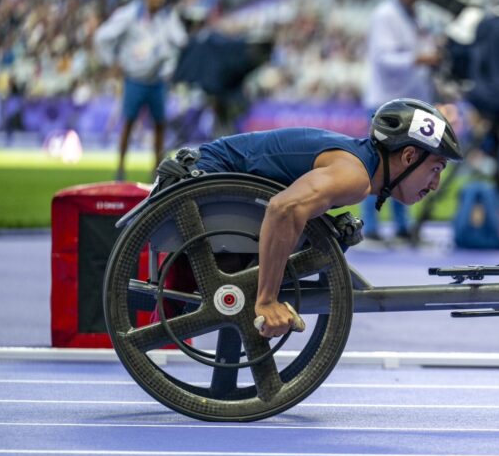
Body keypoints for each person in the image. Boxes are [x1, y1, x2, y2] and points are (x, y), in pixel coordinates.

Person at [193, 98, 462, 338]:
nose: (435, 184)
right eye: (435, 169)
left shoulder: (358, 165)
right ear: (409, 156)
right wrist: (266, 300)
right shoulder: (354, 177)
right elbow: (283, 209)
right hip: (202, 179)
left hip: (210, 179)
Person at [359, 0, 442, 242]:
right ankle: (368, 226)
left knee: (410, 165)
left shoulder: (418, 15)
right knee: (378, 164)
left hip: (413, 104)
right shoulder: (386, 14)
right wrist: (420, 58)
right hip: (386, 104)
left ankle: (403, 226)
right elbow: (384, 60)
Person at [94, 0, 187, 181]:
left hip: (158, 80)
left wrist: (170, 64)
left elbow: (181, 41)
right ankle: (120, 167)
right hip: (134, 78)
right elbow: (102, 36)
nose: (159, 2)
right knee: (128, 122)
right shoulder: (129, 14)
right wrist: (112, 61)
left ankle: (157, 169)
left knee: (160, 124)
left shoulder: (167, 17)